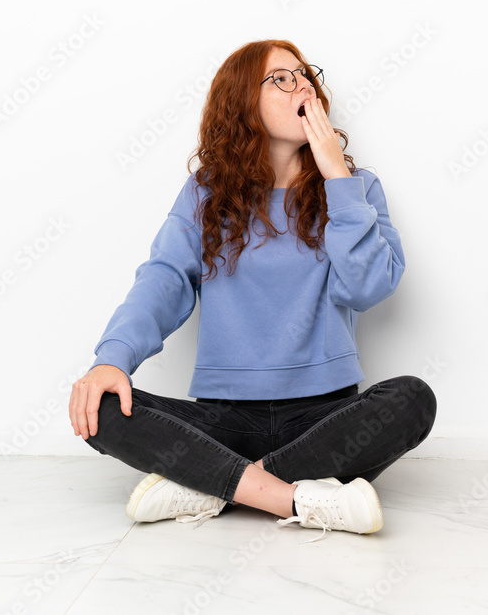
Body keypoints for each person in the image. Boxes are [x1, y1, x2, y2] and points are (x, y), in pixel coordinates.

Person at [67, 39, 437, 541]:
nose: (302, 85)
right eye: (281, 79)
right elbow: (165, 279)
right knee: (102, 409)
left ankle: (212, 483)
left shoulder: (356, 188)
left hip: (324, 417)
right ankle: (297, 498)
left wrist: (336, 177)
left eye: (305, 75)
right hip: (225, 419)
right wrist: (111, 359)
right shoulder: (206, 194)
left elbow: (368, 287)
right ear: (243, 101)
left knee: (412, 399)